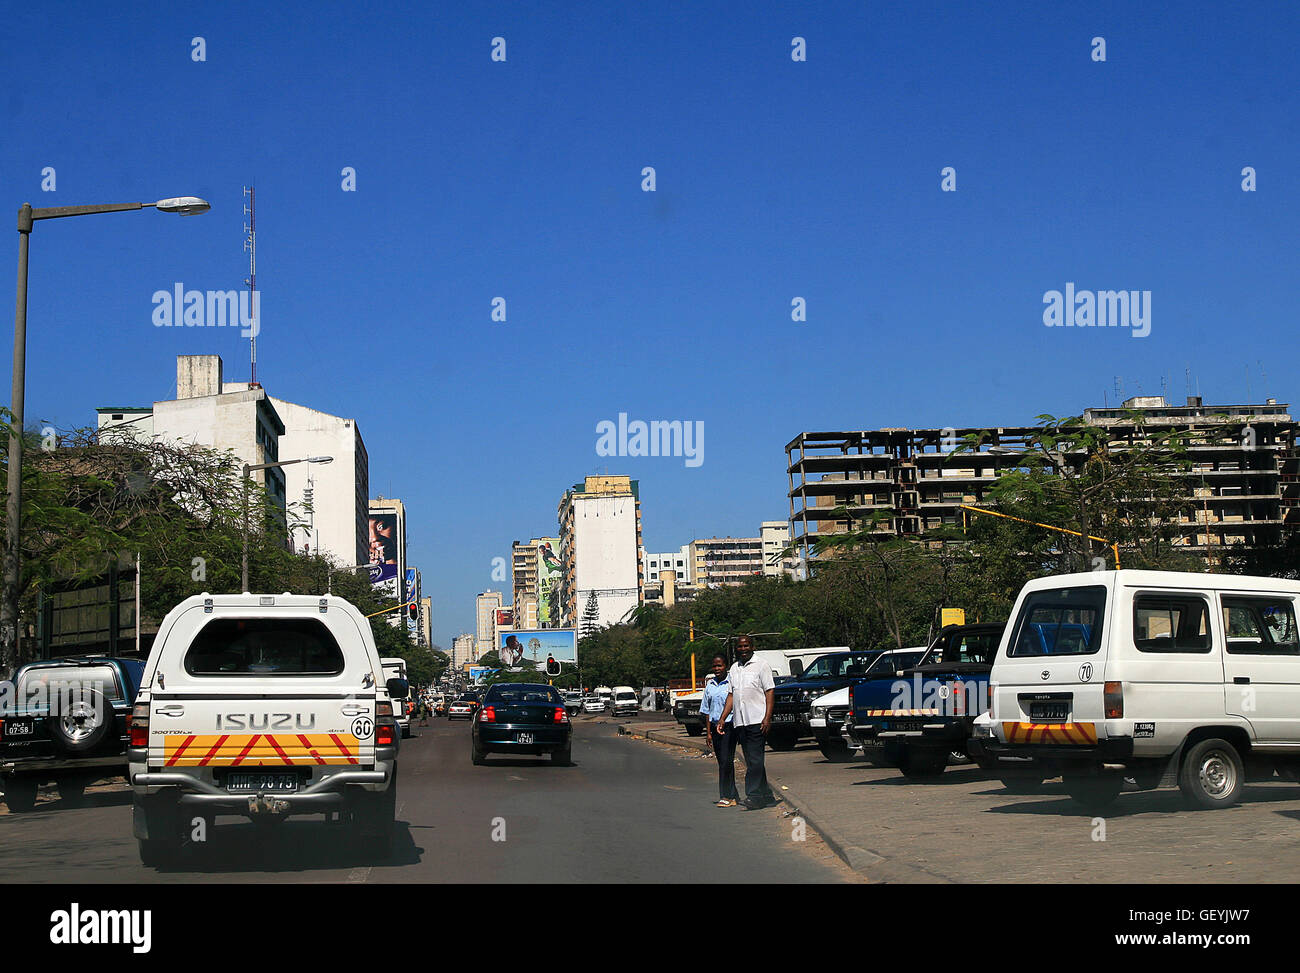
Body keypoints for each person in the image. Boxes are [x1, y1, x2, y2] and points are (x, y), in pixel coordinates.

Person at [717, 635, 778, 810]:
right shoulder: (734, 669)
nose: (743, 649)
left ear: (752, 647)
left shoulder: (762, 665)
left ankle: (754, 795)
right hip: (740, 722)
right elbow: (731, 695)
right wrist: (723, 718)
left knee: (755, 759)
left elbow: (769, 691)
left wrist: (767, 717)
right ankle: (766, 794)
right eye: (740, 646)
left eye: (746, 646)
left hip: (757, 720)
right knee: (752, 760)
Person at [700, 653, 739, 807]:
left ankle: (726, 796)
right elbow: (707, 711)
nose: (717, 669)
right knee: (722, 761)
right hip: (715, 727)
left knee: (726, 760)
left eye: (720, 665)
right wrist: (708, 733)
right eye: (715, 666)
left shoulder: (731, 683)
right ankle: (733, 795)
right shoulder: (710, 685)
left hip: (729, 726)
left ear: (726, 666)